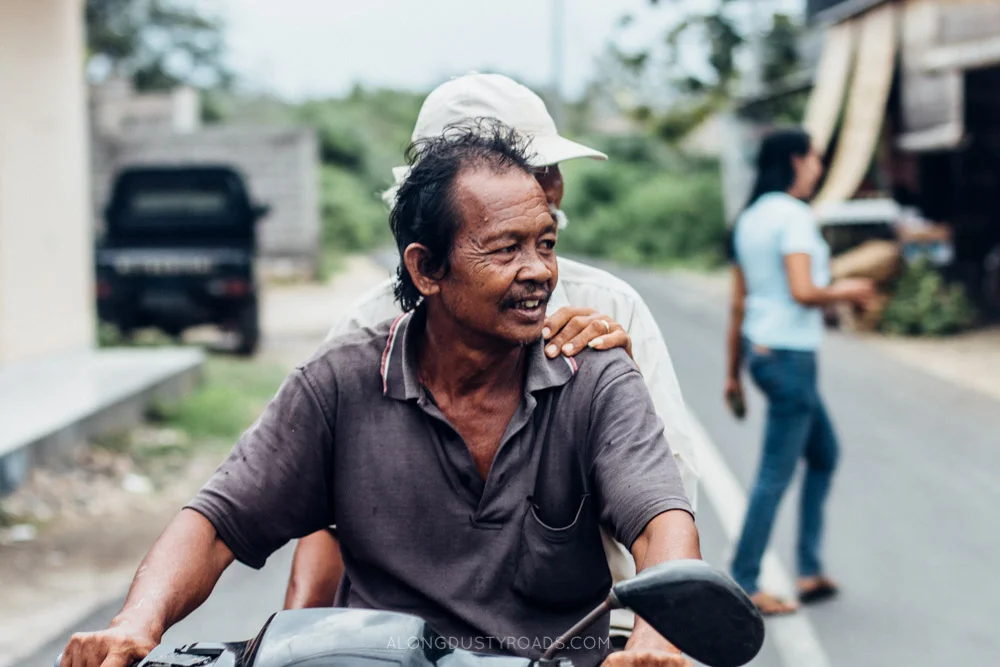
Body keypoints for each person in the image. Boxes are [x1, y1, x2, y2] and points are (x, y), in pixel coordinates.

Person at [60, 122, 700, 667]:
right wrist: (137, 622)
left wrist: (658, 635)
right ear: (426, 269)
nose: (538, 270)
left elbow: (662, 520)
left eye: (546, 245)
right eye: (506, 249)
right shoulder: (339, 383)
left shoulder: (595, 375)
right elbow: (216, 522)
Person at [283, 73, 702, 619]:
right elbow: (322, 521)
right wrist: (294, 634)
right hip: (405, 644)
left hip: (584, 634)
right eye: (528, 168)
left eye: (552, 170)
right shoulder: (366, 331)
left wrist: (616, 394)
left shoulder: (609, 311)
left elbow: (669, 504)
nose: (550, 187)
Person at [723, 128, 876, 615]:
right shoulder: (793, 217)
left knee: (824, 454)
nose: (819, 167)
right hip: (790, 358)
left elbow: (739, 304)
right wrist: (850, 289)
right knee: (775, 473)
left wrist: (733, 373)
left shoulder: (750, 218)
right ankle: (745, 581)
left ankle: (809, 571)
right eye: (814, 158)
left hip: (764, 352)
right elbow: (803, 291)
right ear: (794, 160)